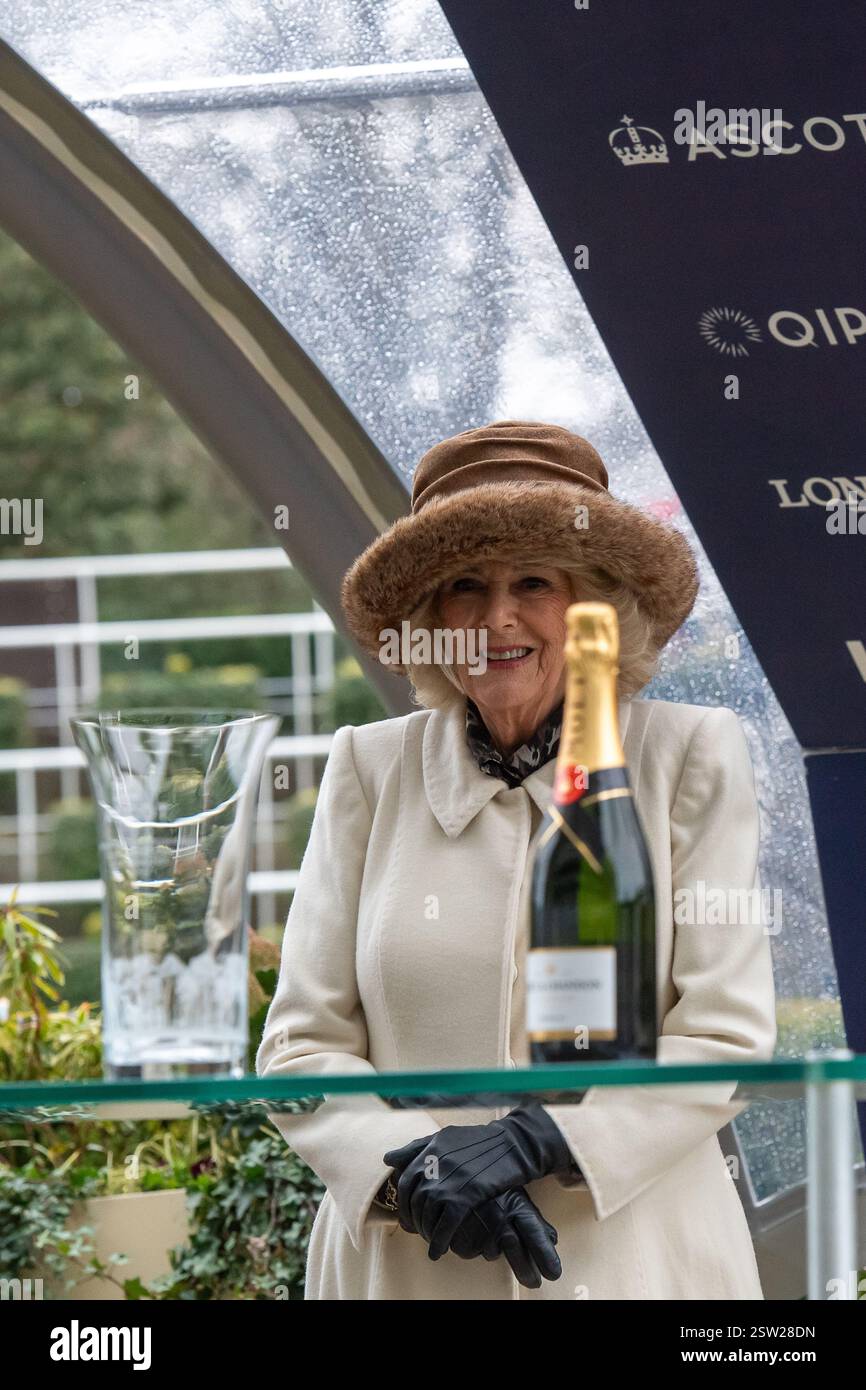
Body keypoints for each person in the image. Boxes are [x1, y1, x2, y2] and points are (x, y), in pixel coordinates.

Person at [256, 420, 777, 1300]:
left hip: (635, 1266)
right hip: (411, 1265)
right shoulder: (368, 769)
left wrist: (538, 1141)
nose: (496, 618)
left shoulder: (688, 753)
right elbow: (302, 1045)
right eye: (465, 586)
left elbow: (724, 1033)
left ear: (597, 608)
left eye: (533, 580)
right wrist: (409, 1174)